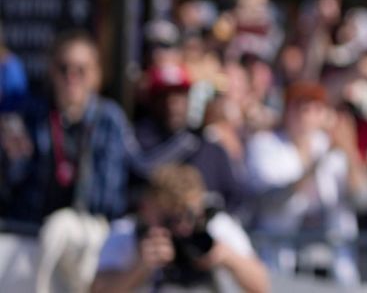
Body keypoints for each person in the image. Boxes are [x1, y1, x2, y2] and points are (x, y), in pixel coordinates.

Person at [0, 31, 135, 292]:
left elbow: (109, 198)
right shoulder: (31, 115)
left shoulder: (109, 119)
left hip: (86, 235)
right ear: (52, 71)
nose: (71, 78)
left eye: (81, 70)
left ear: (96, 74)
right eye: (64, 69)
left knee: (63, 231)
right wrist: (10, 156)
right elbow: (12, 190)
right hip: (30, 233)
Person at [244, 81, 367, 285]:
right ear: (286, 111)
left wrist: (350, 149)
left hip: (334, 266)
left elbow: (364, 200)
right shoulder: (265, 145)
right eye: (300, 108)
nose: (307, 115)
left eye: (316, 108)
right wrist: (316, 164)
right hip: (283, 263)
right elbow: (271, 201)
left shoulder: (333, 147)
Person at [91, 163, 268, 293]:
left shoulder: (217, 228)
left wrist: (226, 256)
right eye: (171, 219)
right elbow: (97, 289)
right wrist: (140, 267)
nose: (182, 230)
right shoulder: (126, 234)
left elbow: (262, 285)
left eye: (189, 218)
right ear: (148, 210)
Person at [133, 63, 246, 214]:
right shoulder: (138, 146)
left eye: (178, 95)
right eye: (164, 96)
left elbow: (234, 200)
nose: (171, 104)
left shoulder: (211, 149)